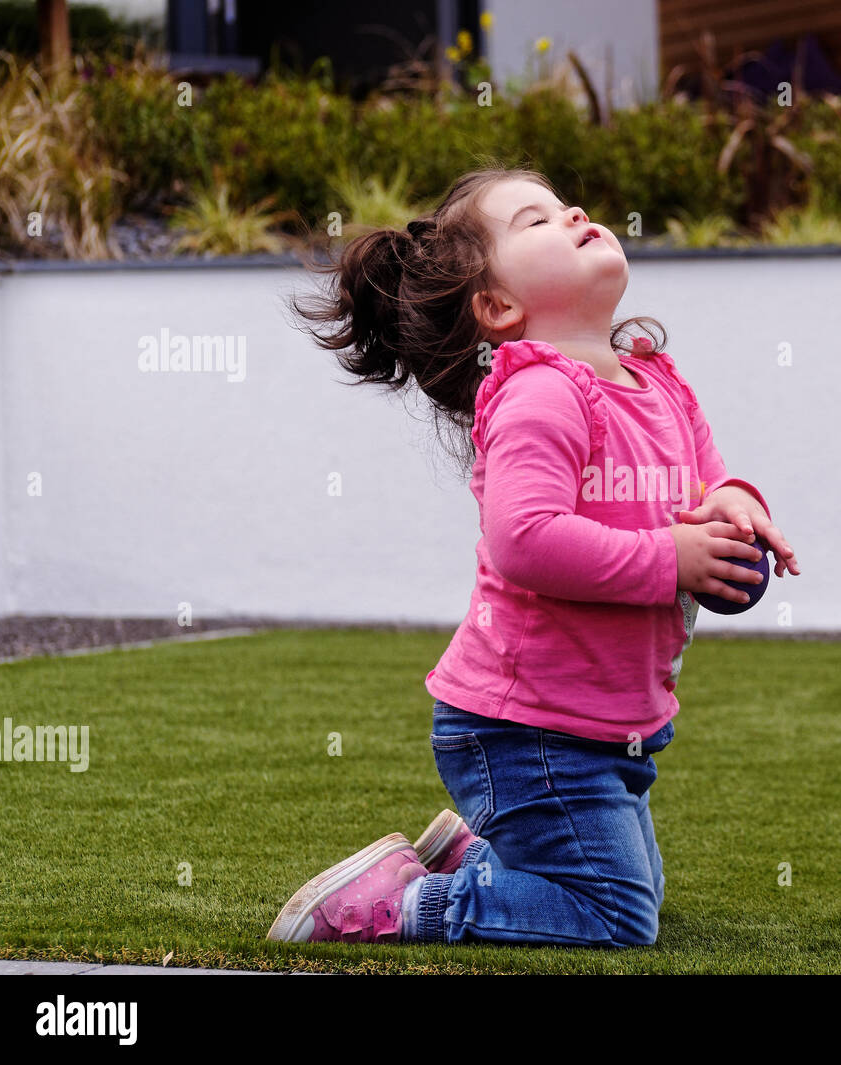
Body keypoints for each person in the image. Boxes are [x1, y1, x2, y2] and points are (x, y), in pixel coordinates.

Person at [270, 165, 800, 947]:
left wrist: (733, 503)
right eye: (536, 221)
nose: (575, 212)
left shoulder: (657, 385)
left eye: (564, 206)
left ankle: (477, 855)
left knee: (637, 889)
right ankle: (399, 906)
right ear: (497, 306)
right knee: (618, 915)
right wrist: (671, 559)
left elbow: (707, 479)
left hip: (607, 726)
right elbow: (525, 540)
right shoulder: (540, 393)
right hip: (527, 729)